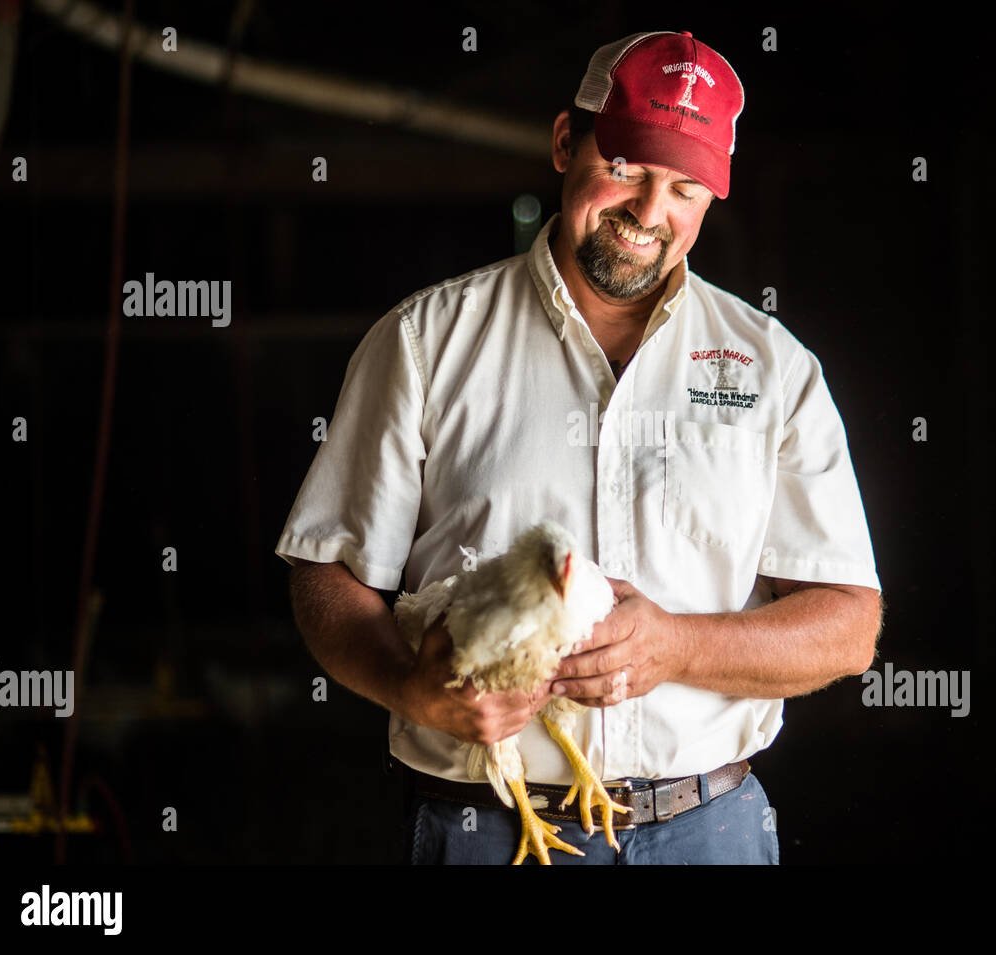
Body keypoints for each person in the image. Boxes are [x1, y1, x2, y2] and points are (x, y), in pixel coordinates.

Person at [276, 30, 883, 865]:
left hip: (712, 828)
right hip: (484, 825)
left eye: (686, 188)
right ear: (566, 141)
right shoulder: (424, 342)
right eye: (627, 167)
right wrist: (409, 685)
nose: (649, 212)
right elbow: (327, 574)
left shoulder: (773, 368)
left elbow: (850, 627)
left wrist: (677, 644)